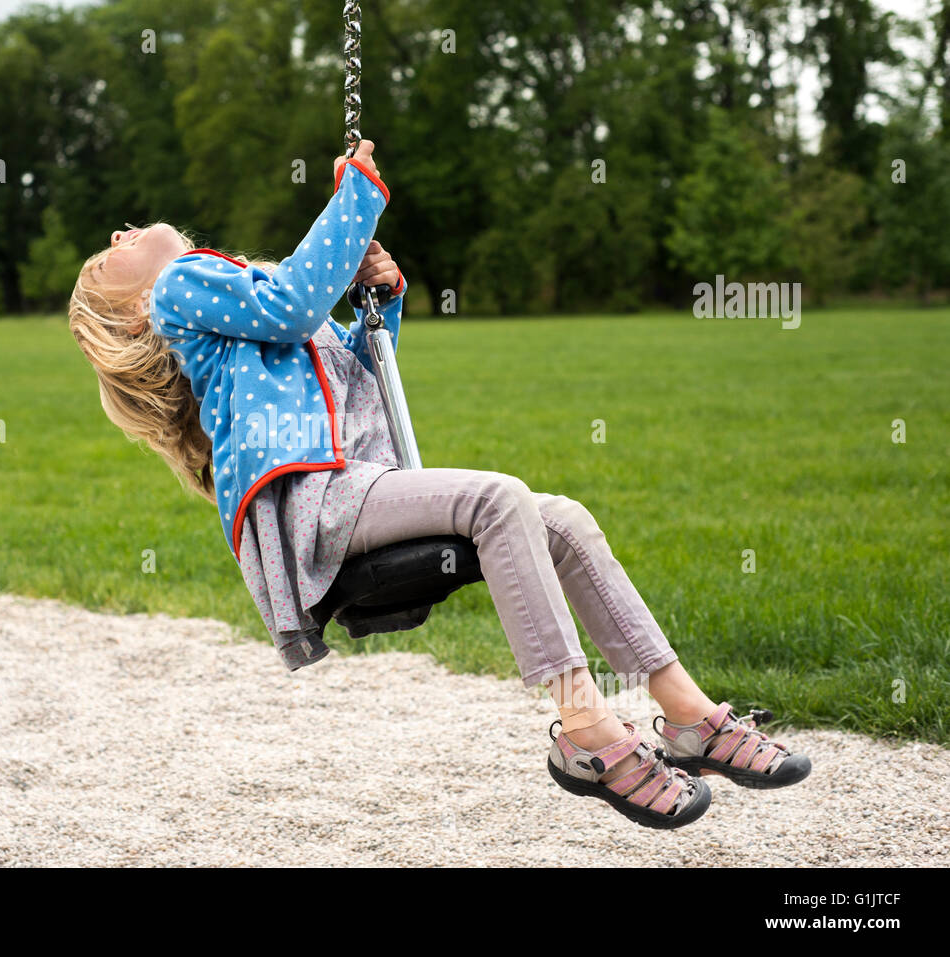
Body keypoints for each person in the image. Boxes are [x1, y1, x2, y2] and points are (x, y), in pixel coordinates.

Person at [68, 140, 811, 829]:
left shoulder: (244, 300)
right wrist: (357, 193)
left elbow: (355, 374)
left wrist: (381, 300)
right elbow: (298, 300)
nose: (115, 237)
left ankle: (687, 713)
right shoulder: (181, 287)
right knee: (500, 497)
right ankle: (586, 726)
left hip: (357, 488)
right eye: (106, 262)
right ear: (138, 310)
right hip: (319, 505)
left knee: (566, 520)